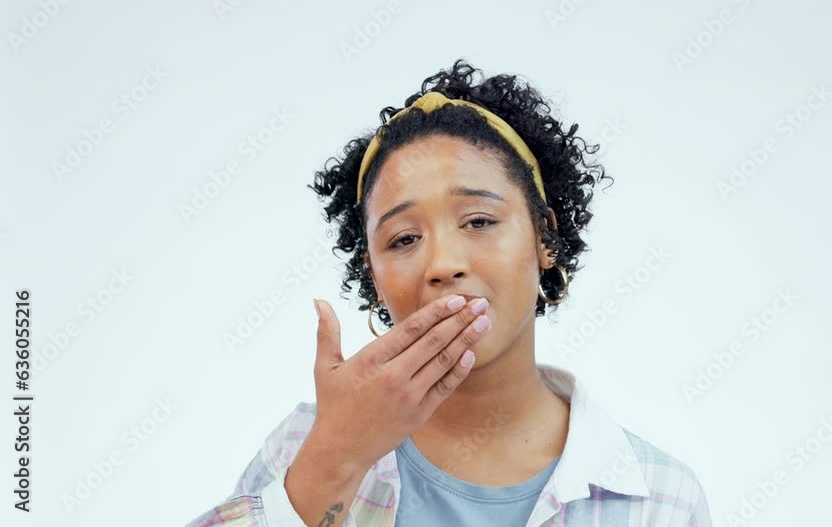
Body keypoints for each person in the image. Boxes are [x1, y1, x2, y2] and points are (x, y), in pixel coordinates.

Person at [188, 59, 712, 527]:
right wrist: (336, 456)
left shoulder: (660, 501)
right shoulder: (308, 442)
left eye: (479, 220)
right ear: (374, 277)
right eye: (404, 239)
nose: (442, 265)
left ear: (545, 238)